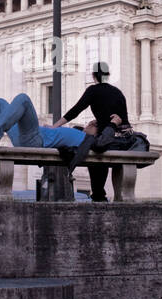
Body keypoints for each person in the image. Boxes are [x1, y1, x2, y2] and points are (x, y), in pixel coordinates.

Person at [55, 61, 131, 202]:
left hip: (109, 137)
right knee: (102, 155)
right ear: (108, 75)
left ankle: (98, 195)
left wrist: (55, 126)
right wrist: (102, 122)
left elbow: (75, 110)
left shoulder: (93, 90)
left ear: (93, 76)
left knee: (93, 153)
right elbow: (122, 117)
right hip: (124, 139)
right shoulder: (118, 92)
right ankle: (109, 196)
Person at [0, 93, 88, 155]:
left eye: (94, 125)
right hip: (22, 137)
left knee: (23, 99)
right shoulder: (75, 132)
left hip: (35, 141)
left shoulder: (84, 138)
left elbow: (98, 144)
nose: (91, 123)